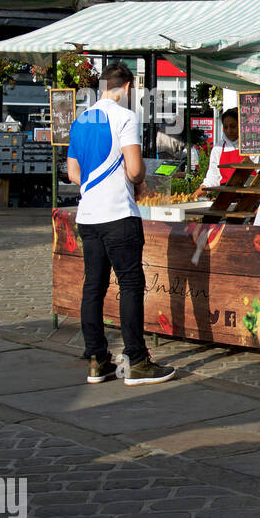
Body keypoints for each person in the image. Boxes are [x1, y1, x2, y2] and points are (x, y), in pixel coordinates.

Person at [66, 62, 176, 386]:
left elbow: (73, 174)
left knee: (93, 287)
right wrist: (138, 179)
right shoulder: (126, 117)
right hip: (118, 215)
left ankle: (97, 360)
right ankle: (137, 360)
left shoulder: (80, 120)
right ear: (127, 87)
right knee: (129, 285)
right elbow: (134, 169)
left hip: (88, 217)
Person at [201, 107, 242, 188]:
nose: (229, 131)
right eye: (225, 127)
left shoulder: (252, 146)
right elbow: (212, 178)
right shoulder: (218, 148)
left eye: (233, 126)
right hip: (226, 196)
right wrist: (195, 195)